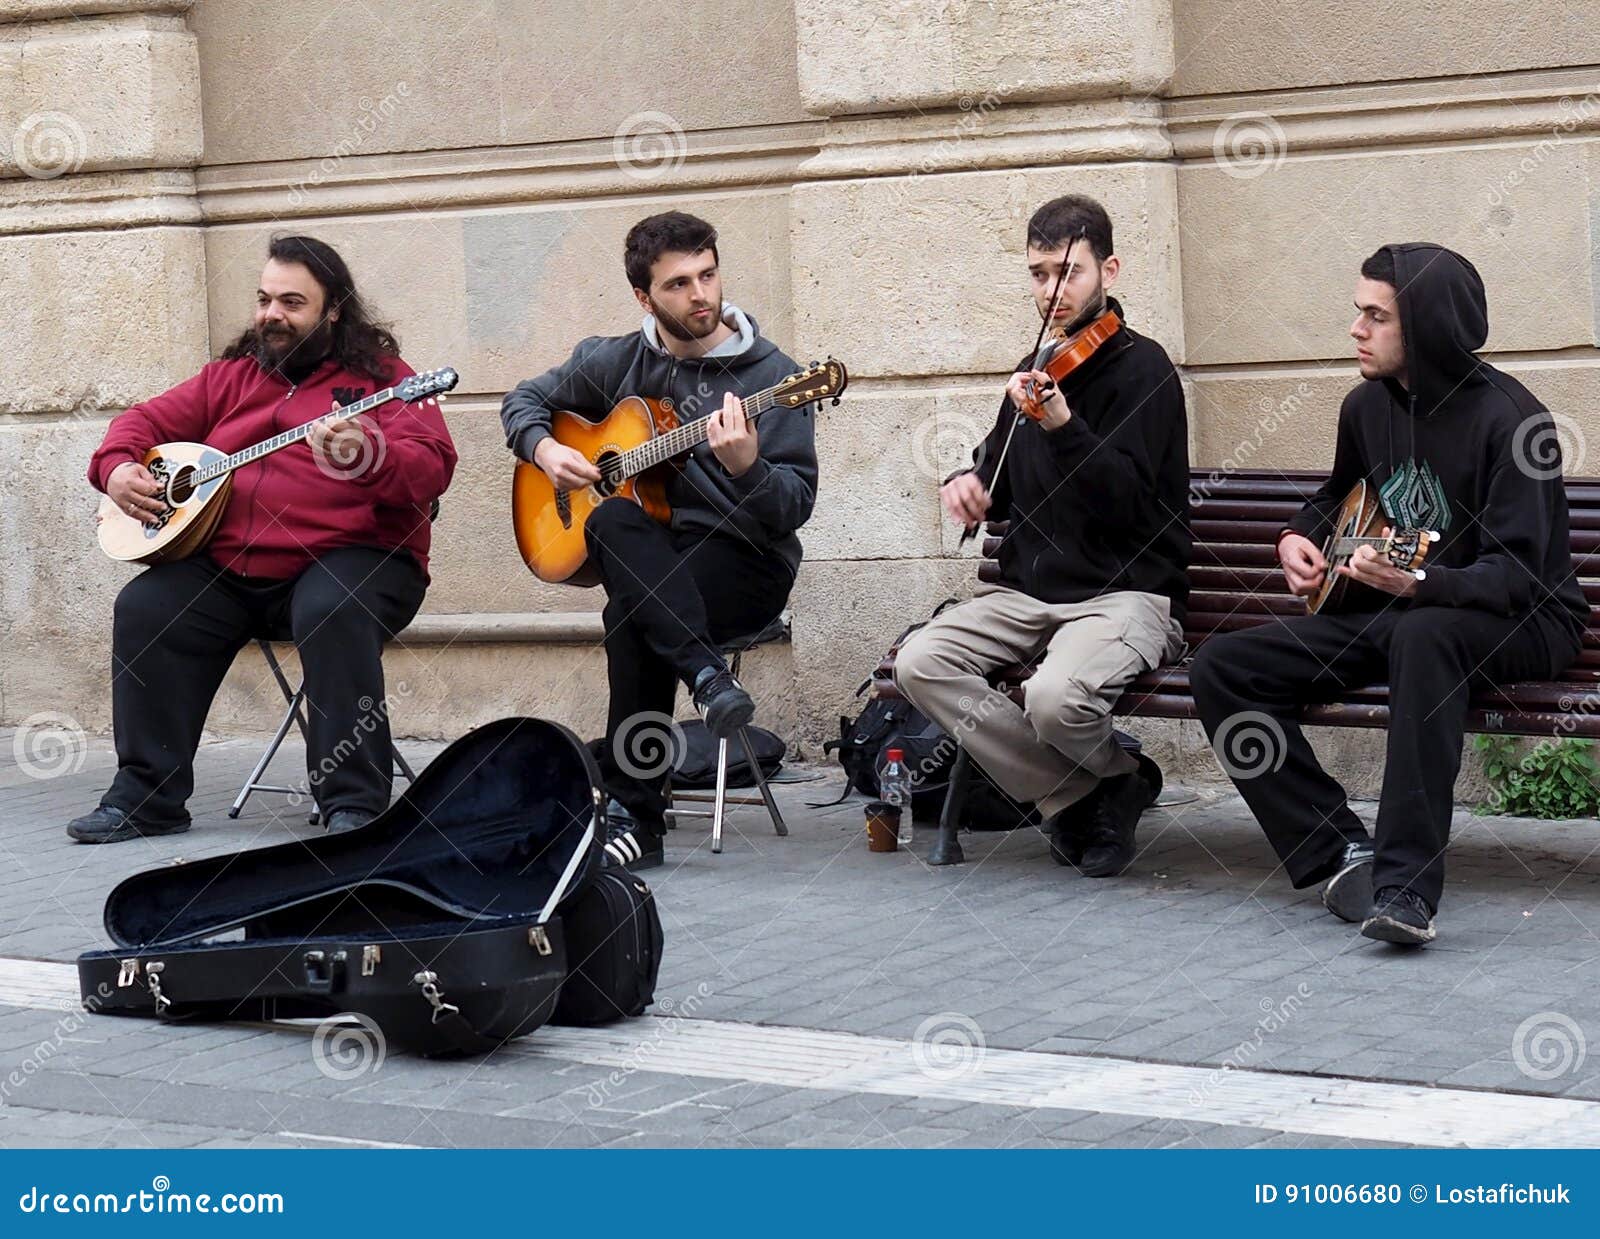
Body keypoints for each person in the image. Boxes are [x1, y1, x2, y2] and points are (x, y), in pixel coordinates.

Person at [1190, 243, 1587, 945]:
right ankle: (1339, 848)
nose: (1356, 330)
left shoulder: (1516, 422)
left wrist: (1420, 581)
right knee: (1223, 667)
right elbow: (1335, 492)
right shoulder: (1367, 406)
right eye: (1358, 313)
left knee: (1425, 631)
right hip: (1403, 610)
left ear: (1426, 327)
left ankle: (1405, 890)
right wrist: (1296, 537)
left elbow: (1519, 576)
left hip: (1521, 619)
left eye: (1376, 316)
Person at [68, 235, 455, 844]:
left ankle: (353, 804)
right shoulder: (232, 378)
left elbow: (433, 466)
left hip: (358, 561)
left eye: (292, 303)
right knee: (146, 608)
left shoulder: (388, 381)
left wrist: (366, 455)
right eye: (264, 299)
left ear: (333, 311)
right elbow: (141, 421)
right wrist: (115, 466)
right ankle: (146, 798)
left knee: (331, 608)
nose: (271, 314)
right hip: (231, 567)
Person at [501, 211, 817, 870]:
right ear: (645, 298)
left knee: (630, 613)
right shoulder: (616, 360)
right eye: (678, 284)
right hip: (657, 559)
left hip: (745, 563)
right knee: (612, 524)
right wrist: (548, 448)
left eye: (708, 274)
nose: (701, 295)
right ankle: (704, 677)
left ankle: (634, 816)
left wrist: (747, 468)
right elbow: (523, 400)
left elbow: (792, 507)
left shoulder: (774, 376)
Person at [893, 194, 1191, 876]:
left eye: (1068, 271)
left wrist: (1064, 427)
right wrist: (972, 486)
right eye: (1037, 273)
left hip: (1125, 593)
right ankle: (1094, 786)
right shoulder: (1036, 374)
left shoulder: (1145, 372)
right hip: (1030, 592)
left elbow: (1133, 507)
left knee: (1056, 699)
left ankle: (1092, 791)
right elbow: (1001, 473)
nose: (1051, 290)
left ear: (1107, 270)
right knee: (919, 662)